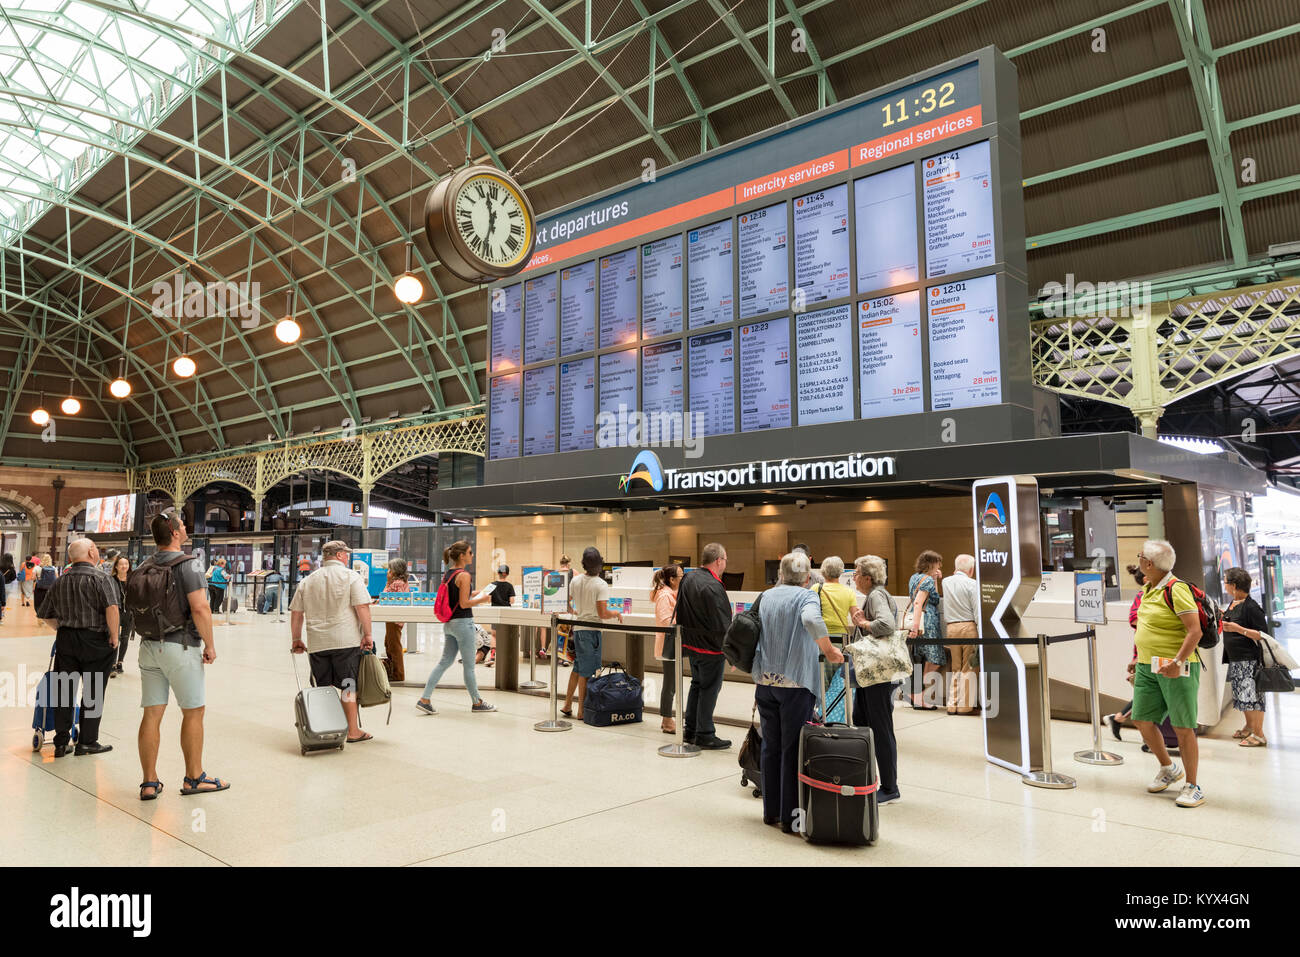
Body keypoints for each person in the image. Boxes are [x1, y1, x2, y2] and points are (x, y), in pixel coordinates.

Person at [135, 512, 227, 798]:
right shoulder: (189, 565)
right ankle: (194, 777)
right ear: (174, 532)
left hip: (148, 646)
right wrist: (210, 645)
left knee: (152, 713)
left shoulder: (144, 564)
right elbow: (200, 608)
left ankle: (149, 782)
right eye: (183, 525)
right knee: (193, 711)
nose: (186, 528)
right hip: (180, 645)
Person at [753, 551, 844, 832]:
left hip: (765, 682)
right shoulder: (806, 596)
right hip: (795, 684)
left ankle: (770, 811)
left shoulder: (767, 595)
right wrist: (829, 650)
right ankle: (791, 819)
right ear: (807, 577)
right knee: (792, 748)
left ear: (781, 574)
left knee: (770, 746)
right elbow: (812, 621)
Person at [1132, 539, 1204, 808]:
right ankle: (1169, 768)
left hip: (1178, 667)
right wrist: (1137, 657)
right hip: (1147, 666)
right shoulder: (1150, 588)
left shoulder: (1177, 589)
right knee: (1141, 720)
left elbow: (1194, 631)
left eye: (1140, 556)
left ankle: (1193, 785)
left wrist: (1176, 661)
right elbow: (1147, 627)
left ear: (1148, 563)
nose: (1138, 560)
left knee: (1183, 727)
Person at [36, 538, 119, 758]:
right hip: (96, 641)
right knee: (93, 691)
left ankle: (61, 742)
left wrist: (62, 628)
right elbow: (111, 607)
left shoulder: (59, 581)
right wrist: (114, 636)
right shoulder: (101, 578)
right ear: (92, 551)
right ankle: (87, 742)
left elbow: (44, 613)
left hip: (66, 640)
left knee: (64, 689)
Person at [290, 540, 377, 742]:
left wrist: (296, 639)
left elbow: (296, 613)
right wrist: (368, 634)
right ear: (339, 555)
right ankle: (353, 731)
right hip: (345, 641)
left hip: (318, 643)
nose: (347, 557)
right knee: (348, 687)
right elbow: (362, 607)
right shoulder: (350, 577)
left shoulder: (308, 580)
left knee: (324, 688)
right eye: (345, 554)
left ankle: (327, 729)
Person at [415, 540, 495, 714]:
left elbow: (456, 597)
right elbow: (464, 603)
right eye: (470, 552)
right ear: (462, 555)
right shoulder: (465, 575)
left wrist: (476, 592)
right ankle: (477, 702)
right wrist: (482, 599)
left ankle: (425, 698)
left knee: (445, 661)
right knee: (469, 666)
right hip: (463, 623)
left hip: (450, 624)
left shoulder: (449, 573)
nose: (472, 555)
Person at [848, 555, 901, 803]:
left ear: (867, 578)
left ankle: (890, 787)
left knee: (880, 728)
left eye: (857, 574)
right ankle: (871, 778)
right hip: (873, 675)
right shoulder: (879, 594)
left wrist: (863, 622)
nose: (854, 578)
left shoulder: (876, 595)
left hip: (877, 675)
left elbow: (887, 624)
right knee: (862, 719)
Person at [675, 542, 733, 749]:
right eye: (725, 560)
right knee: (710, 688)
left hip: (691, 644)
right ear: (718, 561)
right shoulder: (714, 586)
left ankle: (690, 730)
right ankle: (706, 733)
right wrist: (732, 651)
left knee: (697, 685)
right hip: (711, 648)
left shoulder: (688, 578)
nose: (726, 564)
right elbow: (723, 622)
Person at [561, 547, 622, 719]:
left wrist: (576, 612)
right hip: (592, 630)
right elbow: (603, 613)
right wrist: (616, 613)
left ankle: (567, 705)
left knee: (578, 668)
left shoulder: (576, 580)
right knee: (587, 672)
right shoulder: (600, 584)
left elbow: (567, 604)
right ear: (600, 565)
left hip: (579, 629)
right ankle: (582, 710)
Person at [1221, 567, 1269, 748]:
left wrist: (1237, 629)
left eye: (1225, 582)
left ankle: (1259, 734)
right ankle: (1249, 727)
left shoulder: (1251, 607)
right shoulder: (1234, 603)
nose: (1224, 586)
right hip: (1237, 658)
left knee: (1253, 698)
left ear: (1234, 585)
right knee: (1244, 696)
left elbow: (1262, 635)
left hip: (1249, 659)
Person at [815, 556, 857, 709]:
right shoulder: (849, 592)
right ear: (841, 572)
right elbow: (855, 617)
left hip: (820, 641)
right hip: (842, 642)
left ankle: (820, 716)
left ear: (823, 571)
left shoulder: (816, 589)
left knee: (821, 682)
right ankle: (836, 714)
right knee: (839, 683)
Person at [906, 550, 945, 709]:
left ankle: (917, 696)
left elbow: (933, 597)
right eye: (937, 564)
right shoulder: (927, 580)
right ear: (931, 564)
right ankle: (917, 694)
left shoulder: (914, 578)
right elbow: (919, 603)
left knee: (919, 659)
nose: (939, 566)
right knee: (935, 658)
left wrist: (935, 578)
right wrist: (916, 626)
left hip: (919, 620)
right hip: (926, 622)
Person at [942, 554, 980, 715]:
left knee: (955, 667)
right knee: (968, 668)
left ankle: (952, 705)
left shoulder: (945, 582)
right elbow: (977, 610)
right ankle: (964, 707)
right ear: (971, 570)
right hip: (968, 627)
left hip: (951, 628)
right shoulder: (973, 584)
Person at [652, 563, 682, 734]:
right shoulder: (664, 596)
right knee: (670, 684)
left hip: (672, 644)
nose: (682, 579)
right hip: (667, 645)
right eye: (680, 576)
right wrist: (681, 623)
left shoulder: (670, 594)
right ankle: (666, 719)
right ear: (672, 579)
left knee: (673, 683)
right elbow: (665, 621)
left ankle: (667, 719)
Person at [382, 558, 410, 682]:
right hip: (396, 618)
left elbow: (386, 596)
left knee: (394, 646)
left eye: (390, 569)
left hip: (393, 619)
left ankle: (398, 674)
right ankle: (393, 671)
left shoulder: (396, 583)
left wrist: (388, 582)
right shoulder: (403, 582)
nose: (388, 571)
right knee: (389, 643)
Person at [110, 555, 135, 676]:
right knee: (115, 637)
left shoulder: (132, 579)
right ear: (116, 566)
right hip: (115, 612)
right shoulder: (112, 580)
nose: (124, 566)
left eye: (126, 564)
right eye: (121, 564)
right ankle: (112, 663)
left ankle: (120, 662)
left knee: (125, 639)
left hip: (129, 613)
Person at [0, 552, 14, 621]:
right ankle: (2, 613)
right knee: (4, 599)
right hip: (8, 585)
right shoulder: (11, 567)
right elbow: (14, 577)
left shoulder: (0, 565)